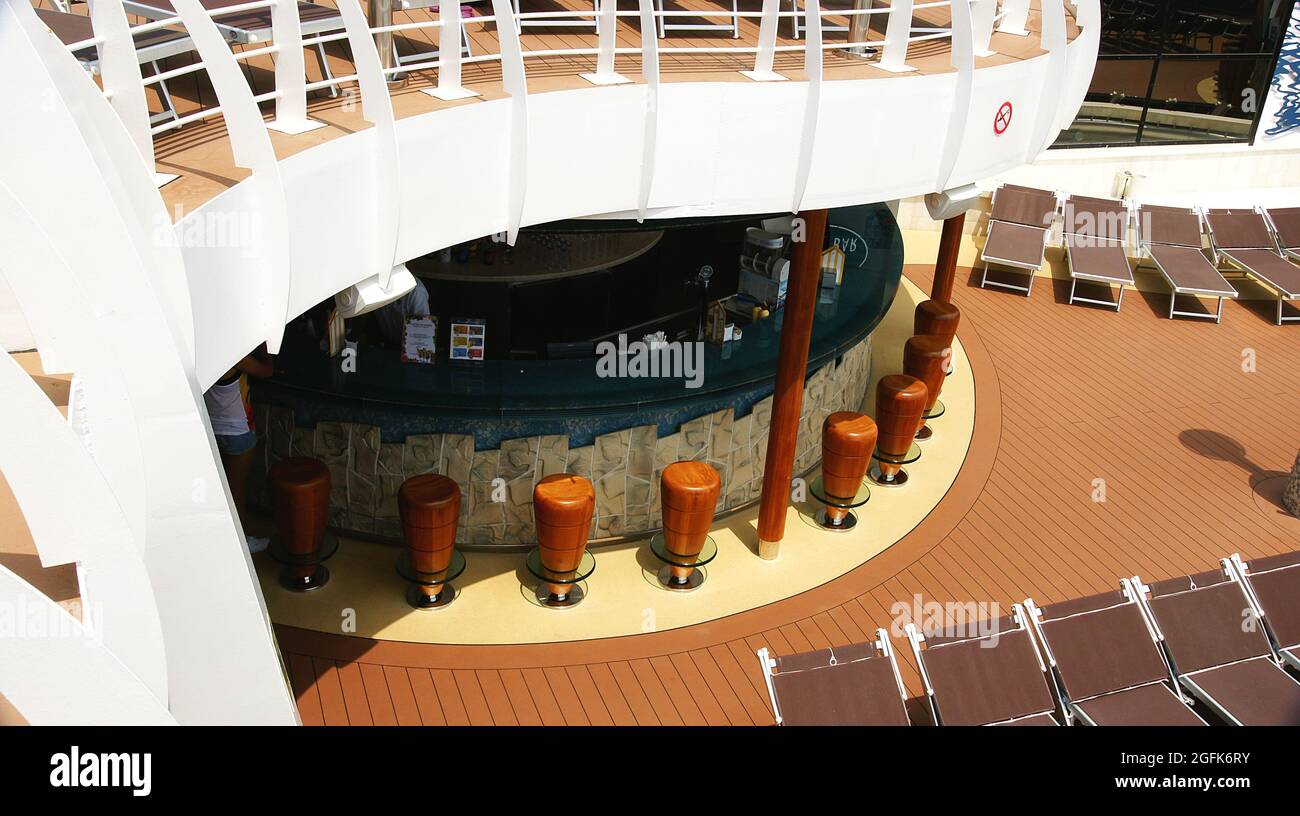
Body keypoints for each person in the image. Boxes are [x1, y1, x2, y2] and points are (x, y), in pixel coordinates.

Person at [205, 345, 275, 553]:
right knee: (237, 490)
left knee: (217, 488)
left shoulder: (199, 352)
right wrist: (264, 345)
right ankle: (242, 545)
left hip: (210, 427)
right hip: (238, 430)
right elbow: (267, 370)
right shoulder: (230, 354)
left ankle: (217, 538)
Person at [374, 278, 430, 347]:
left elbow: (422, 335)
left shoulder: (416, 292)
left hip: (409, 347)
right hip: (383, 342)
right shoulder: (373, 285)